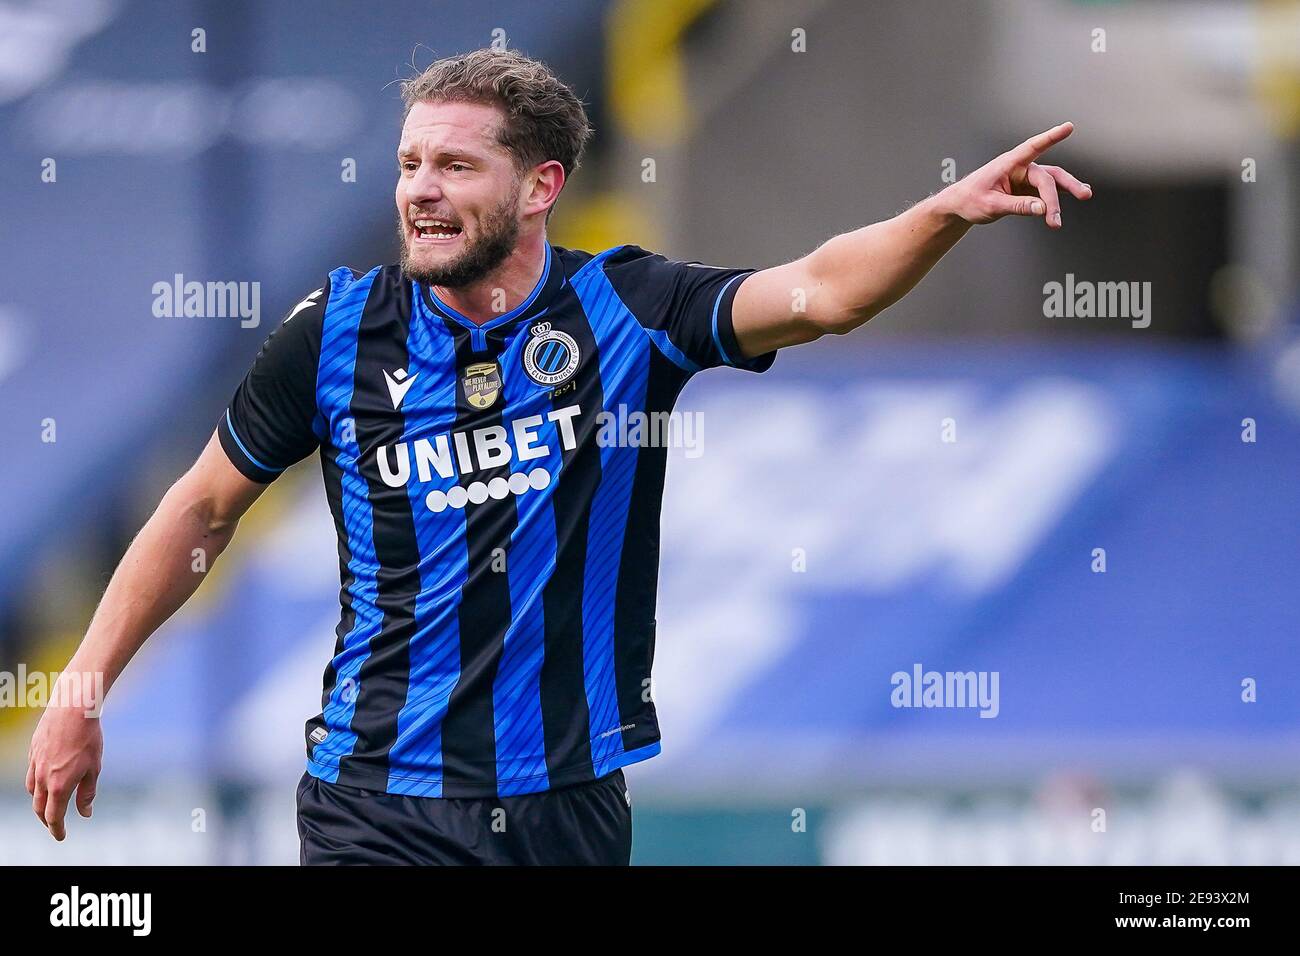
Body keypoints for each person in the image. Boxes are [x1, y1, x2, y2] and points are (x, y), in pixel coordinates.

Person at [26, 48, 1091, 864]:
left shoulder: (627, 310)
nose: (419, 190)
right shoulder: (336, 333)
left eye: (454, 164)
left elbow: (824, 291)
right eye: (408, 164)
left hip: (567, 801)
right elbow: (203, 506)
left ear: (539, 187)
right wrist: (83, 686)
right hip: (374, 796)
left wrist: (943, 213)